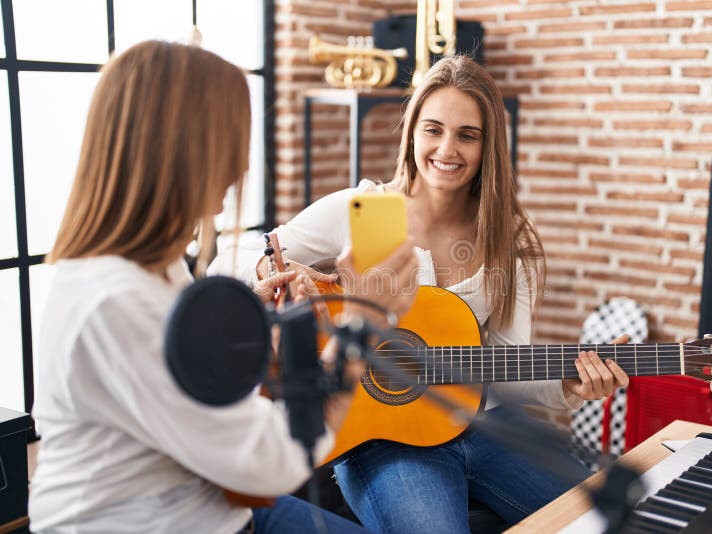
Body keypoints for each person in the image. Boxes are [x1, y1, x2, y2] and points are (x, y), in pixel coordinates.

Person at [214, 55, 629, 533]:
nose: (446, 149)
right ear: (412, 132)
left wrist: (567, 387)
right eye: (433, 129)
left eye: (467, 135)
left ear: (488, 145)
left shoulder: (510, 235)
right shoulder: (364, 208)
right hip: (380, 440)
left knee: (605, 524)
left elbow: (503, 363)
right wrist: (285, 273)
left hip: (483, 427)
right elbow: (232, 257)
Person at [29, 40, 418, 534]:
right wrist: (363, 324)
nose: (236, 174)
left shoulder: (155, 266)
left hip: (215, 496)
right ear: (175, 153)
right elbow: (272, 463)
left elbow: (205, 411)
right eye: (228, 149)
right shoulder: (117, 301)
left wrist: (248, 331)